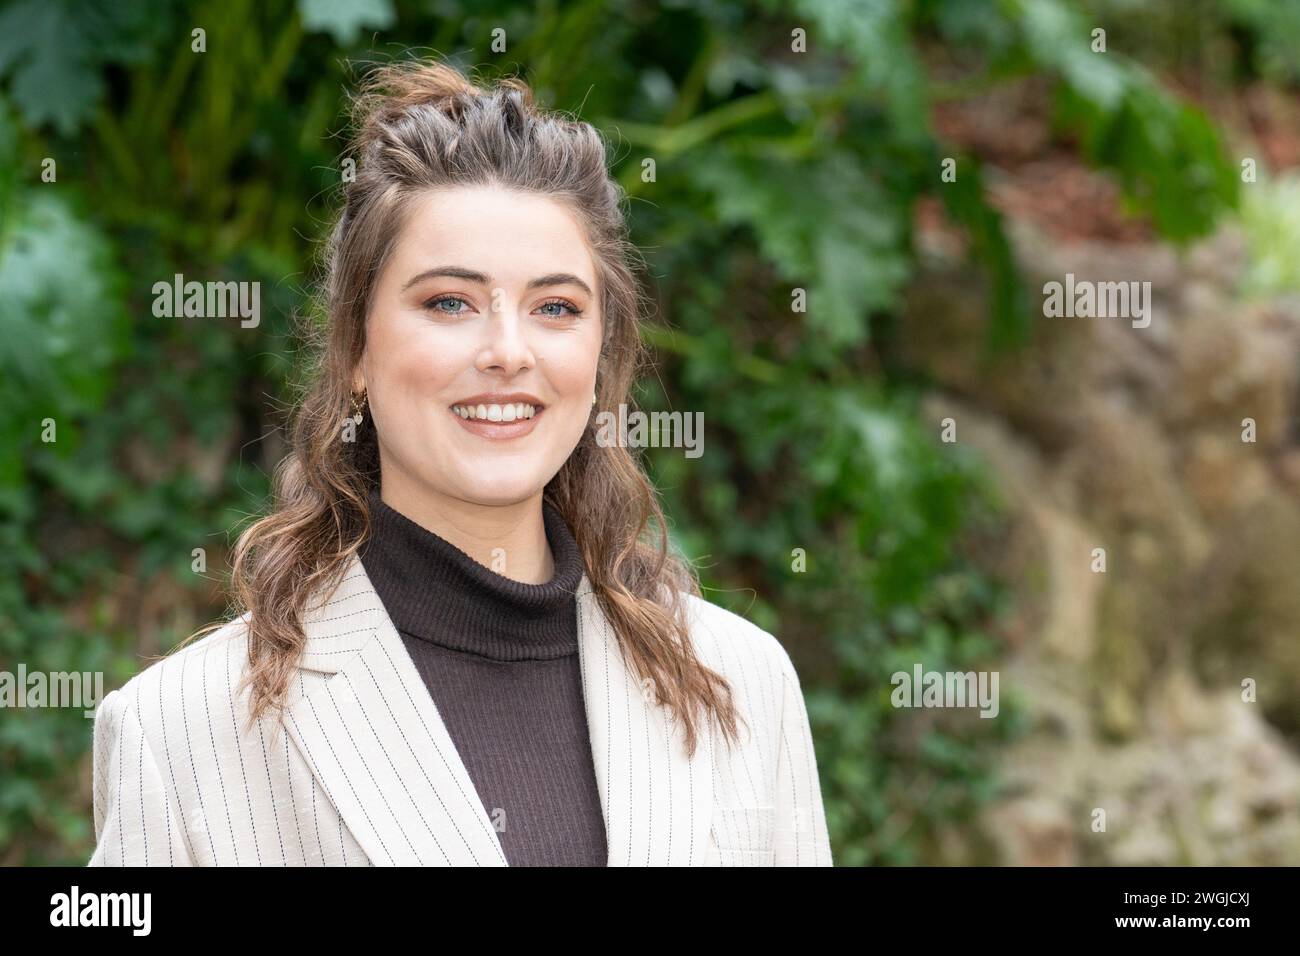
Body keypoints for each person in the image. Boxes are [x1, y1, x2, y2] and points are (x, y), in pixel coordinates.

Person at [88, 58, 832, 866]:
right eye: (450, 302)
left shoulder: (742, 682)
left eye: (556, 307)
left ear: (601, 349)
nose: (508, 352)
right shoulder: (181, 731)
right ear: (357, 350)